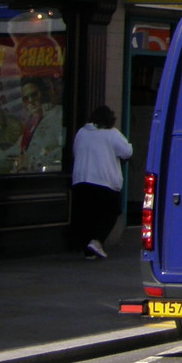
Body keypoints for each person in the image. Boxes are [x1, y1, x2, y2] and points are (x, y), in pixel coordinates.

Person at [69, 105, 132, 260]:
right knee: (112, 211)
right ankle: (96, 241)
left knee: (87, 214)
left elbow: (75, 151)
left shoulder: (82, 133)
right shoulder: (112, 134)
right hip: (104, 181)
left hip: (81, 179)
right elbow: (127, 152)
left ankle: (88, 248)